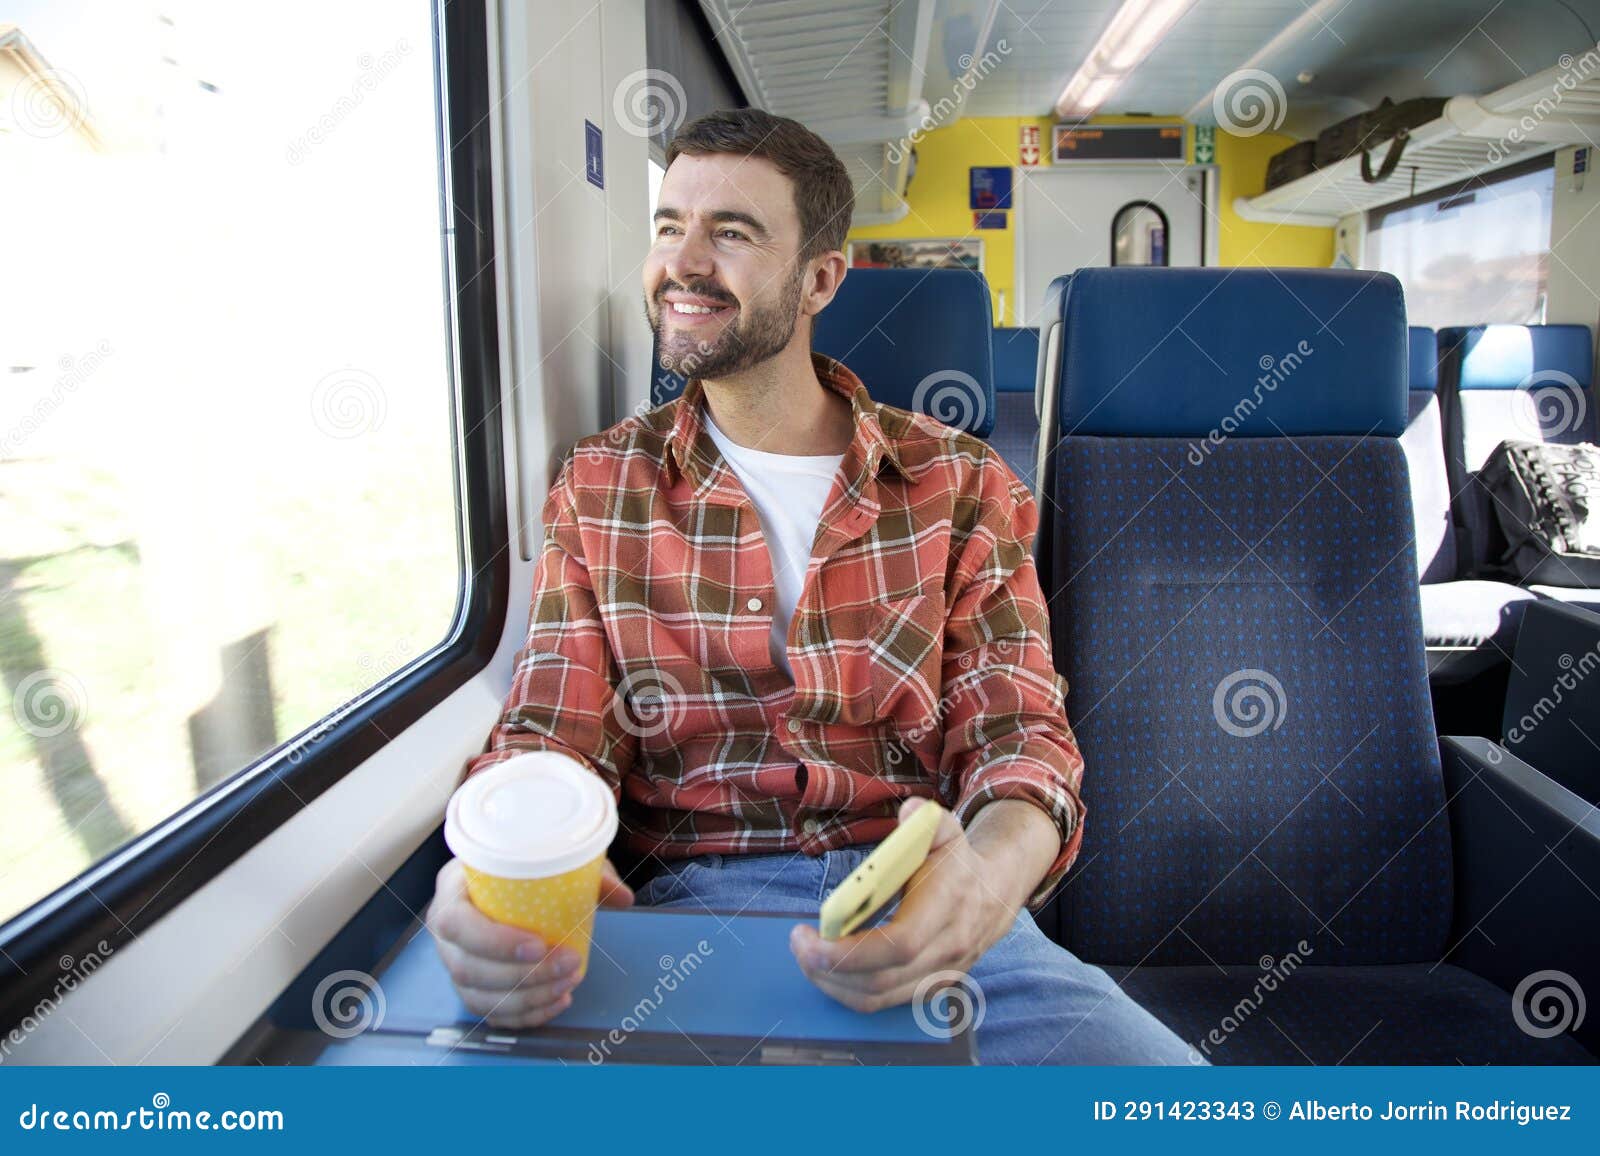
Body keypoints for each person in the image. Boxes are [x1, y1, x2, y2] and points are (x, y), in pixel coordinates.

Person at [425, 107, 1194, 1065]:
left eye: (732, 233)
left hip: (926, 897)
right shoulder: (601, 486)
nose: (684, 262)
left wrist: (986, 887)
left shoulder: (961, 483)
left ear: (822, 278)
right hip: (690, 919)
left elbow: (1019, 736)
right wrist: (488, 867)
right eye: (669, 226)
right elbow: (554, 731)